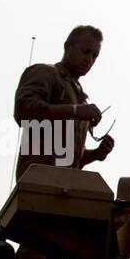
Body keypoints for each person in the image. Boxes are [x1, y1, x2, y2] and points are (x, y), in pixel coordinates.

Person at [13, 25, 115, 181]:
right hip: (37, 182)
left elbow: (68, 159)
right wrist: (75, 111)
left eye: (95, 56)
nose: (90, 59)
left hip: (63, 186)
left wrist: (96, 154)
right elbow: (23, 110)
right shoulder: (45, 73)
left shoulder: (78, 96)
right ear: (68, 47)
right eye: (86, 52)